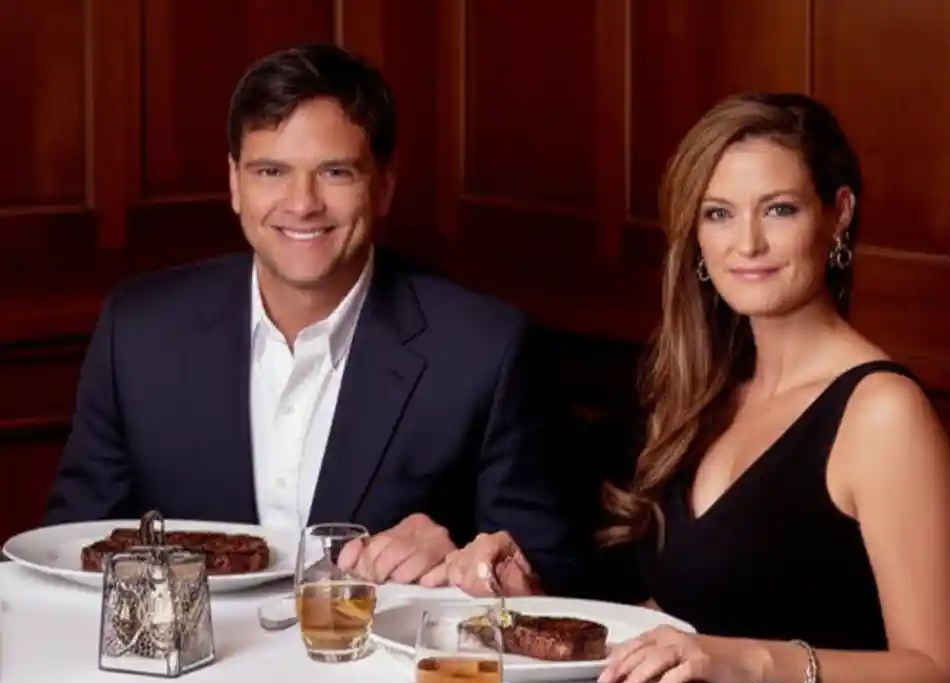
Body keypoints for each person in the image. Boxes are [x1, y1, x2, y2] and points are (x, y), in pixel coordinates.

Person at [440, 93, 950, 683]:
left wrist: (754, 659)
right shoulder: (710, 394)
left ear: (838, 215)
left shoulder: (881, 412)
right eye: (719, 214)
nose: (747, 242)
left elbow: (941, 681)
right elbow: (680, 622)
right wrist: (534, 604)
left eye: (779, 209)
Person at [43, 43, 585, 595]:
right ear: (234, 182)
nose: (302, 204)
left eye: (335, 172)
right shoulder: (138, 332)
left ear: (384, 186)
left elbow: (552, 584)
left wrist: (462, 568)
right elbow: (69, 551)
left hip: (377, 676)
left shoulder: (485, 351)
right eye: (271, 170)